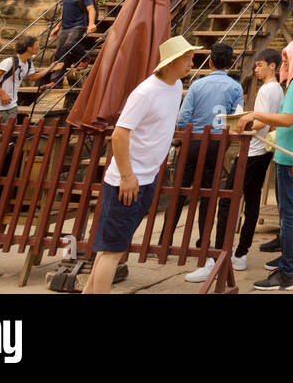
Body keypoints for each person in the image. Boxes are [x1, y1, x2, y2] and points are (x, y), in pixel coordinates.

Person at [83, 35, 199, 293]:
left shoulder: (176, 86)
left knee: (112, 248)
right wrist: (127, 176)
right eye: (187, 57)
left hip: (146, 178)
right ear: (170, 63)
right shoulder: (146, 92)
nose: (192, 62)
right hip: (128, 181)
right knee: (112, 251)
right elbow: (119, 134)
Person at [236, 42, 293, 291]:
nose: (283, 65)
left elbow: (287, 119)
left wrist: (256, 115)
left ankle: (287, 272)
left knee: (290, 214)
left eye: (286, 60)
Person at [175, 42, 244, 283]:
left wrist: (184, 131)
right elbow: (236, 118)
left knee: (179, 190)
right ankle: (204, 240)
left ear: (211, 61)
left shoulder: (197, 85)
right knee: (209, 194)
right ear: (230, 63)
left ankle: (166, 236)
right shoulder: (235, 88)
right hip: (218, 144)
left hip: (193, 141)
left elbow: (184, 117)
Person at [218, 48, 282, 272]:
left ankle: (221, 249)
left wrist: (243, 124)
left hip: (253, 150)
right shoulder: (279, 90)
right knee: (252, 201)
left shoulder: (267, 90)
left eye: (260, 65)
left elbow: (262, 121)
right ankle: (241, 252)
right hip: (263, 151)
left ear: (272, 66)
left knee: (227, 200)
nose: (256, 69)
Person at [0, 36, 58, 118]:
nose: (38, 47)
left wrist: (50, 68)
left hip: (11, 105)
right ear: (29, 48)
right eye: (36, 45)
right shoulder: (9, 61)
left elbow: (32, 77)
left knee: (8, 130)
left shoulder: (28, 62)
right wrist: (2, 94)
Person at [47, 0, 97, 80]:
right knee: (59, 54)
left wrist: (91, 24)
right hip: (65, 27)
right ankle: (55, 81)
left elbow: (91, 9)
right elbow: (64, 12)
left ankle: (85, 57)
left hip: (78, 26)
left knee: (70, 44)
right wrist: (57, 26)